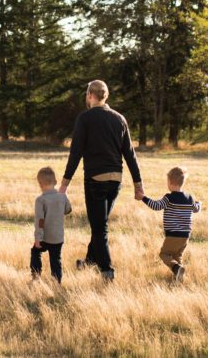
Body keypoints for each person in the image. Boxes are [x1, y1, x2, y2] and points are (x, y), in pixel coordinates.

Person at [58, 79, 143, 281]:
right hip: (116, 181)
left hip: (95, 180)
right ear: (106, 96)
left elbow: (76, 153)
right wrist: (138, 184)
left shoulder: (85, 118)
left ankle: (107, 271)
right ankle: (90, 261)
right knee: (99, 223)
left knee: (99, 227)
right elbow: (130, 154)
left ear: (90, 95)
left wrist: (64, 185)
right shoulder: (119, 119)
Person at [142, 166, 202, 283]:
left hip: (173, 234)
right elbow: (196, 209)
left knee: (164, 254)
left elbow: (156, 205)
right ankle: (178, 279)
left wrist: (143, 198)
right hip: (185, 235)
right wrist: (199, 204)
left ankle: (176, 268)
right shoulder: (189, 198)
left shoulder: (169, 198)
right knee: (177, 256)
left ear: (170, 183)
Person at [31, 166, 72, 283]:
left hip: (45, 237)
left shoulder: (40, 200)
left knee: (35, 252)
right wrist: (65, 195)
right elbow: (68, 210)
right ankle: (57, 282)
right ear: (55, 182)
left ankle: (36, 275)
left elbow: (40, 221)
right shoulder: (62, 197)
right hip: (58, 237)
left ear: (40, 184)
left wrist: (38, 238)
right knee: (56, 260)